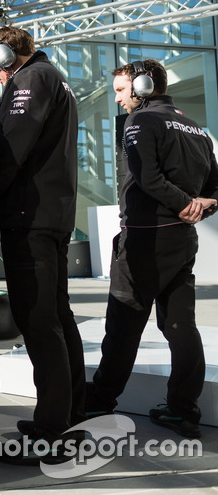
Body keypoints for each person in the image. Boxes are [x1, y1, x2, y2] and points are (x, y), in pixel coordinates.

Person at [86, 59, 218, 438]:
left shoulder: (141, 121)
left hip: (145, 238)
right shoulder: (196, 129)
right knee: (180, 327)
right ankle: (183, 410)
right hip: (182, 240)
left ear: (143, 86)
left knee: (123, 327)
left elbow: (146, 177)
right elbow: (216, 187)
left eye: (121, 90)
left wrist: (185, 203)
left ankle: (100, 402)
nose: (119, 100)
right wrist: (201, 205)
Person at [0, 25, 84, 461]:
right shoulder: (53, 78)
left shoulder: (31, 79)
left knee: (39, 322)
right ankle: (68, 416)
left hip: (31, 217)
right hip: (50, 216)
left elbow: (10, 151)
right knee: (57, 316)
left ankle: (50, 433)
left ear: (7, 55)